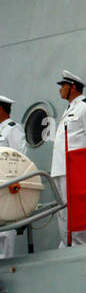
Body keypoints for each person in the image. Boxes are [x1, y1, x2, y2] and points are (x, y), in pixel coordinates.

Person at [51, 70, 86, 247]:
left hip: (75, 167)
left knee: (76, 209)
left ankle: (78, 244)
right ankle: (66, 243)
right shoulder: (69, 109)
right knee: (63, 211)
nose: (60, 90)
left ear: (73, 87)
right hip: (60, 168)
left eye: (63, 86)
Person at [0, 95, 27, 259]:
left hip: (8, 186)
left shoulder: (12, 129)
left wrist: (15, 181)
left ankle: (6, 262)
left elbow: (21, 155)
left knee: (7, 232)